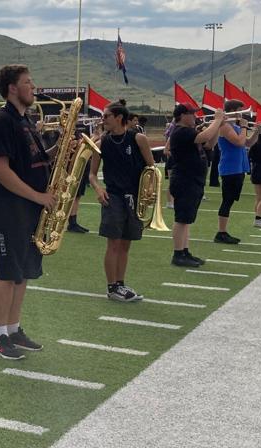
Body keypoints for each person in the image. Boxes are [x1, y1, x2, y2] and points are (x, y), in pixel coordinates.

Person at [0, 64, 55, 360]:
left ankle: (13, 329)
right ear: (12, 88)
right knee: (7, 271)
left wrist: (61, 150)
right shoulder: (2, 121)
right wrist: (38, 195)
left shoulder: (25, 121)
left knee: (22, 272)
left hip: (28, 208)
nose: (33, 86)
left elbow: (30, 161)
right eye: (28, 82)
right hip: (8, 208)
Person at [88, 101, 154, 302]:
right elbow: (91, 174)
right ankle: (112, 287)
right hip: (113, 197)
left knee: (126, 244)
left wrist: (149, 189)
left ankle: (120, 284)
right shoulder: (101, 143)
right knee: (113, 243)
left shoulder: (138, 139)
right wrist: (99, 190)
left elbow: (151, 168)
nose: (103, 120)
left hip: (134, 197)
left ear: (118, 117)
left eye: (106, 116)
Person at [168, 103, 224, 267]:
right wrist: (217, 120)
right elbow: (204, 137)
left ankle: (185, 251)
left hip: (193, 180)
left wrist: (218, 126)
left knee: (187, 220)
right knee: (181, 219)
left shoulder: (189, 132)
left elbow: (210, 143)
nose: (195, 116)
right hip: (184, 180)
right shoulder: (180, 131)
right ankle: (178, 254)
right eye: (192, 113)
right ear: (183, 115)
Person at [214, 100, 260, 243]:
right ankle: (221, 233)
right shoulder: (225, 126)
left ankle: (223, 232)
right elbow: (239, 142)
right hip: (230, 168)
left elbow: (247, 143)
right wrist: (245, 127)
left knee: (230, 200)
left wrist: (257, 131)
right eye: (241, 110)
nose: (243, 113)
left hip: (238, 167)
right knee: (227, 201)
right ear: (233, 110)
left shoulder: (235, 126)